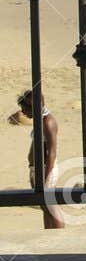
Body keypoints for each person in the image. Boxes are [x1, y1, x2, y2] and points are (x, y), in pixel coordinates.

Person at [7, 89, 64, 230]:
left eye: (25, 109)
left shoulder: (47, 121)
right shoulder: (40, 120)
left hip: (45, 168)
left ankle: (60, 236)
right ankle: (49, 234)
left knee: (50, 204)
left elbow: (52, 151)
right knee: (43, 205)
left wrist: (46, 177)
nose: (23, 112)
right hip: (38, 168)